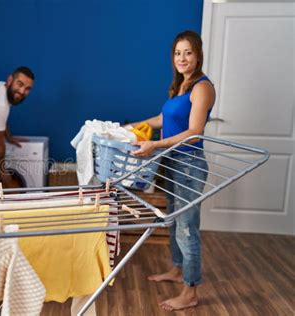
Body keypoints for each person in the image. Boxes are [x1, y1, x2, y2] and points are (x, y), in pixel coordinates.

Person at [128, 30, 215, 311]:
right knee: (174, 223)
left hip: (189, 165)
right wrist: (129, 128)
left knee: (187, 229)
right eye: (178, 53)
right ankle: (177, 270)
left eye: (188, 52)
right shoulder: (180, 86)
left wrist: (156, 144)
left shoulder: (202, 87)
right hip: (171, 164)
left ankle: (190, 291)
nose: (182, 58)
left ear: (198, 54)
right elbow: (162, 118)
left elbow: (194, 132)